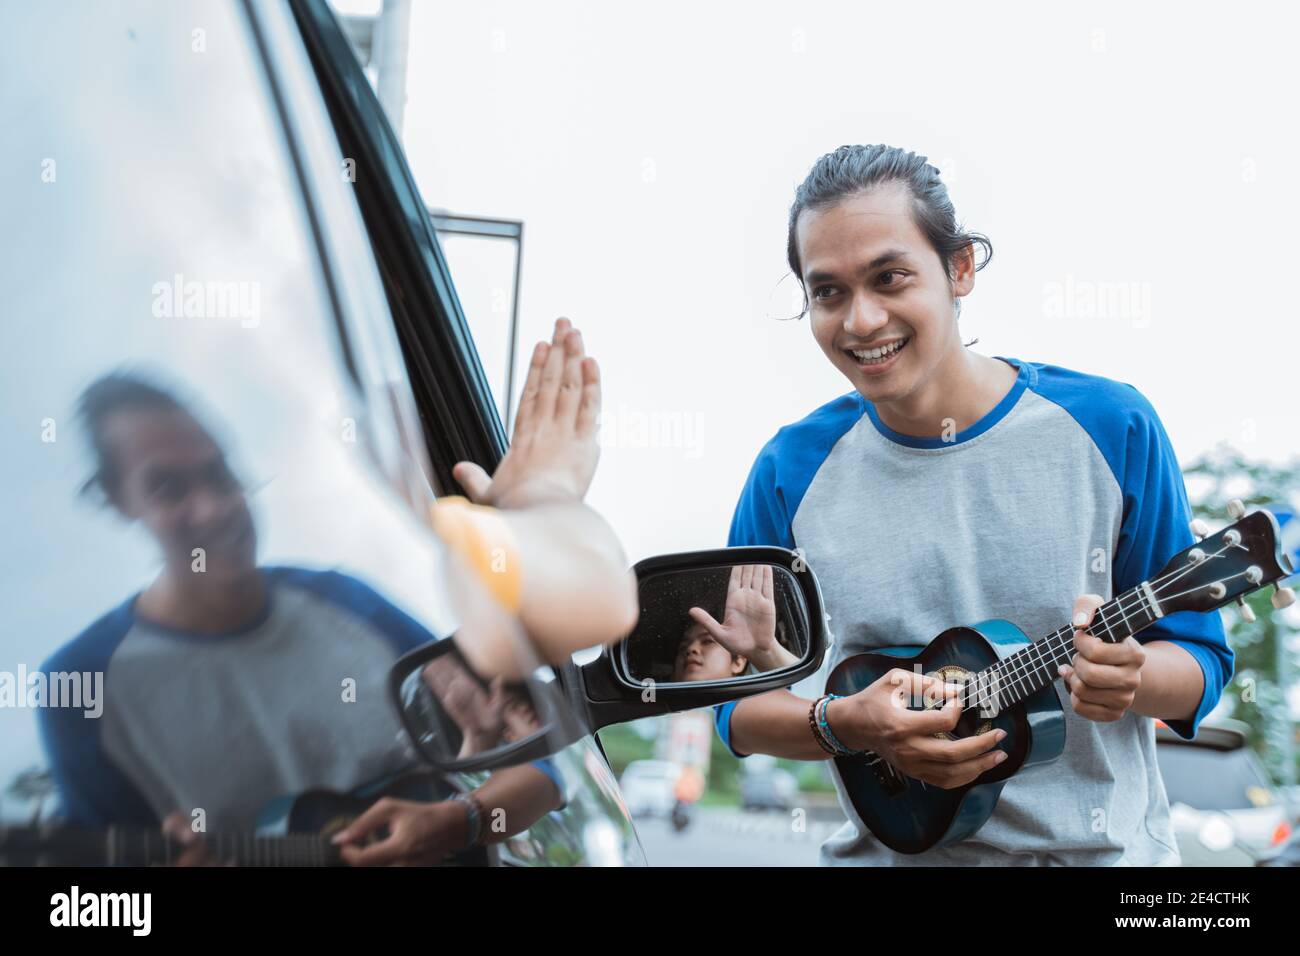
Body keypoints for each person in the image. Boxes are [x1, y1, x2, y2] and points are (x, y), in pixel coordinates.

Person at [714, 144, 1233, 866]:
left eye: (890, 277)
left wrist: (1136, 678)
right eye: (828, 292)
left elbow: (1201, 659)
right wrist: (844, 724)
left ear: (960, 269)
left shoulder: (1112, 427)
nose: (861, 321)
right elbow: (730, 707)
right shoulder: (789, 470)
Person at [39, 318, 635, 865]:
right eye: (169, 489)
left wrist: (458, 820)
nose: (214, 508)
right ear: (115, 501)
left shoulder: (348, 603)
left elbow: (547, 761)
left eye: (220, 474)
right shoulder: (82, 685)